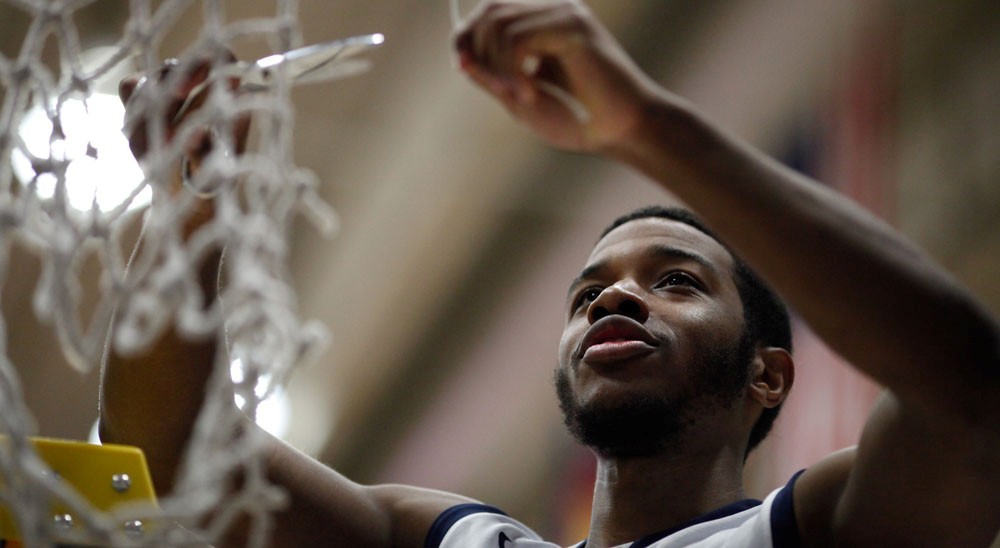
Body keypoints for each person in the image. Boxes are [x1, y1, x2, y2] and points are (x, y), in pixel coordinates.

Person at [101, 1, 1000, 546]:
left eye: (677, 281)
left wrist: (641, 125)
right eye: (588, 292)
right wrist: (196, 201)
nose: (614, 295)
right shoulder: (457, 540)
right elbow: (166, 457)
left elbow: (970, 392)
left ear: (768, 374)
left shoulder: (816, 530)